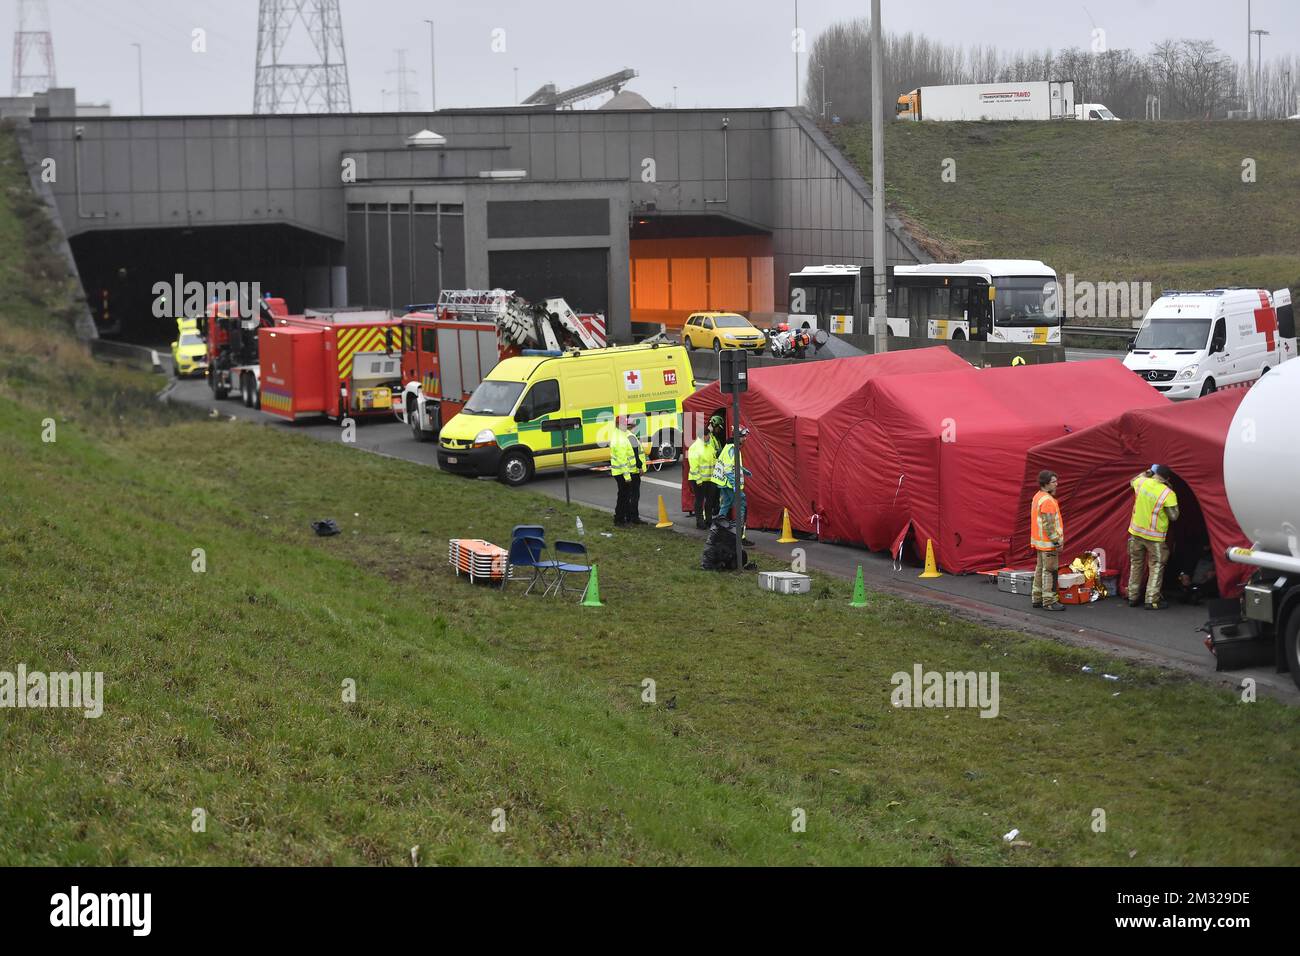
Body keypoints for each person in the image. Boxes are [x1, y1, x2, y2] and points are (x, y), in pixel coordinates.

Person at [1126, 464, 1180, 609]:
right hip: (1155, 538)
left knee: (1136, 563)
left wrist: (1146, 472)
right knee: (1156, 566)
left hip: (1136, 533)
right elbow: (1174, 516)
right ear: (1167, 478)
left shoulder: (1141, 482)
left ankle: (1132, 596)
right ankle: (1151, 600)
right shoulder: (1167, 493)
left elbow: (1132, 481)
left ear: (1153, 473)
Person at [1029, 469, 1066, 612]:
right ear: (1045, 484)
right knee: (1050, 571)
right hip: (1049, 543)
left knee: (1040, 569)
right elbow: (1049, 525)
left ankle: (1037, 598)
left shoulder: (1037, 497)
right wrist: (1057, 542)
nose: (1056, 484)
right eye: (1053, 482)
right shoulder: (1048, 501)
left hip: (1039, 542)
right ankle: (1049, 601)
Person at [714, 426, 752, 541]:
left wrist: (743, 470)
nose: (745, 438)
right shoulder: (733, 449)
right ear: (738, 436)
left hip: (724, 483)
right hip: (729, 484)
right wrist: (735, 485)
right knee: (742, 506)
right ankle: (740, 537)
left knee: (726, 504)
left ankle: (717, 530)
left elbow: (732, 464)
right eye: (743, 436)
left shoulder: (729, 446)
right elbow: (729, 469)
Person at [609, 415, 647, 526]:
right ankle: (620, 520)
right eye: (625, 424)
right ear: (619, 425)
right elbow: (622, 460)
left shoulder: (623, 435)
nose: (627, 426)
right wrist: (627, 476)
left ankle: (625, 518)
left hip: (624, 471)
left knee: (624, 497)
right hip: (622, 472)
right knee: (623, 497)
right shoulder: (620, 439)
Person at [687, 422, 721, 530]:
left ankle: (709, 520)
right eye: (708, 436)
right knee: (699, 500)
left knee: (710, 500)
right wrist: (698, 480)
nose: (710, 437)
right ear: (703, 436)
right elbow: (694, 465)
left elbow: (714, 460)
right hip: (699, 480)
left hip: (710, 479)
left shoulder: (709, 446)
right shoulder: (694, 447)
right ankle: (699, 522)